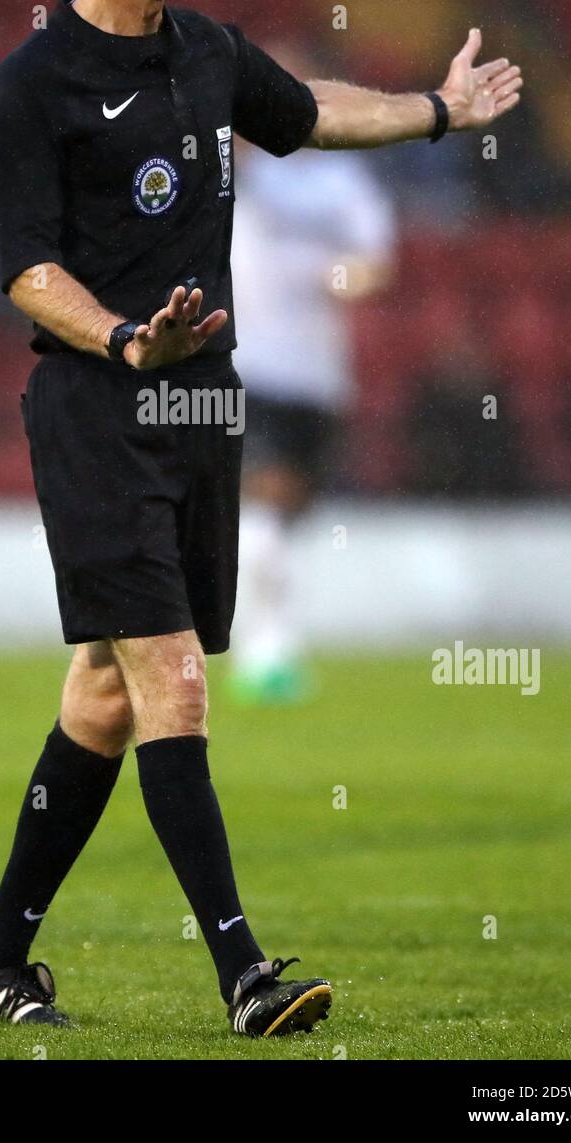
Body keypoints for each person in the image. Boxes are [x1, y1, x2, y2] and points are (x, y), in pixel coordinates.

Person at [0, 0, 523, 1039]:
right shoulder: (32, 85)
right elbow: (26, 269)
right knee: (172, 679)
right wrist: (124, 341)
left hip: (205, 406)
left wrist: (437, 110)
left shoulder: (207, 52)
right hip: (99, 408)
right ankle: (244, 974)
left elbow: (308, 114)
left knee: (104, 694)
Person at [229, 41, 396, 702]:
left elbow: (373, 263)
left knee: (287, 508)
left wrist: (343, 278)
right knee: (265, 496)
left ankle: (257, 629)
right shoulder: (230, 172)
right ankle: (265, 650)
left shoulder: (340, 182)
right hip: (245, 363)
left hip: (316, 373)